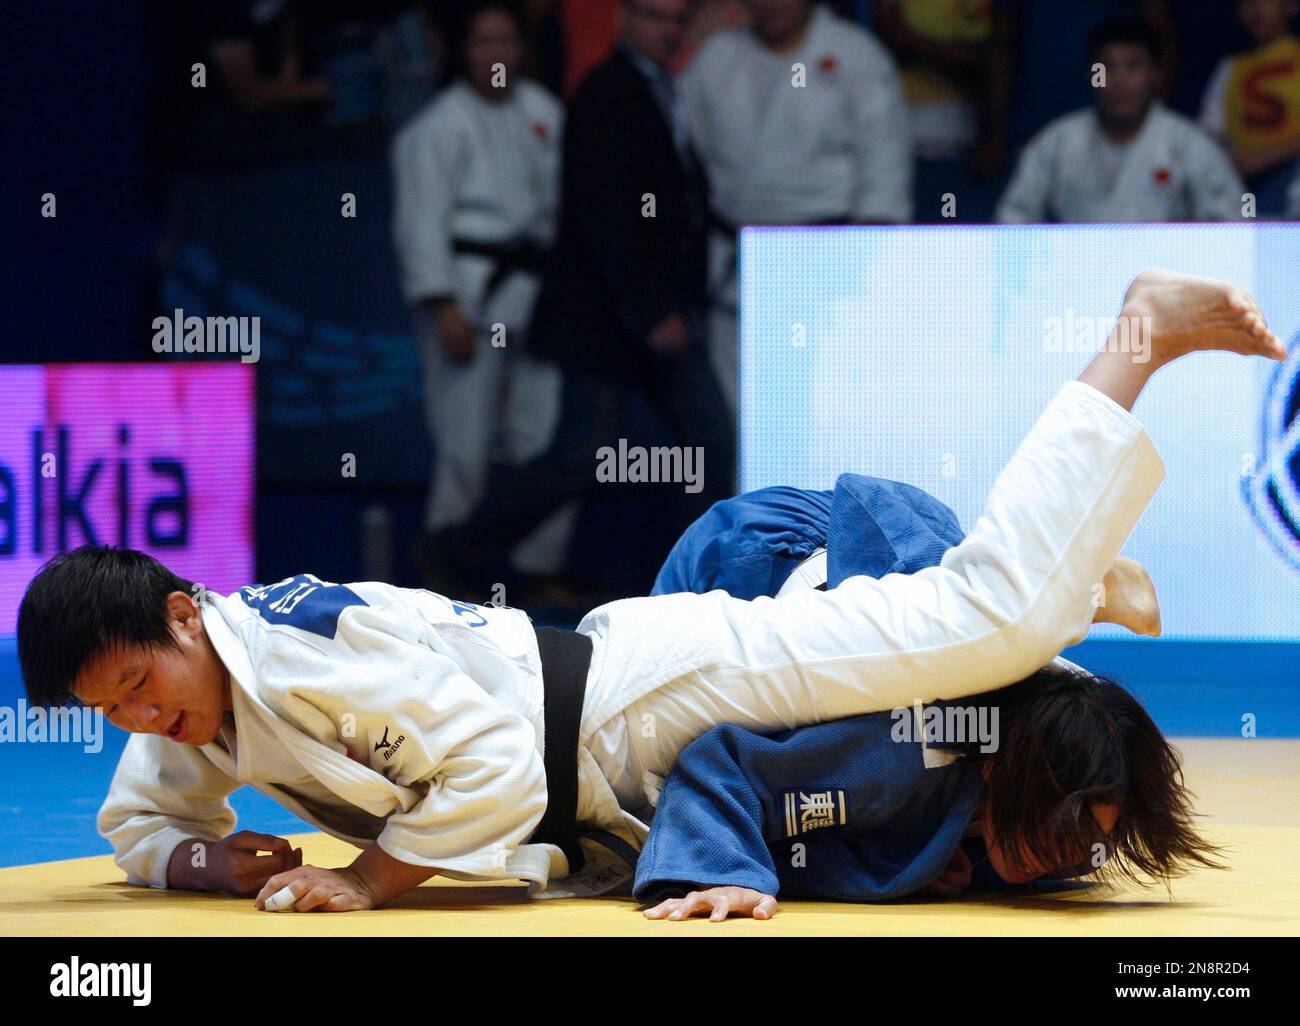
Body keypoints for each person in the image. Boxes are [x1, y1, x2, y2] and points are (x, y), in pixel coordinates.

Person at [17, 271, 1284, 912]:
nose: (144, 724)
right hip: (620, 732)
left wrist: (366, 883)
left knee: (984, 619)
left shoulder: (291, 650)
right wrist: (208, 864)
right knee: (978, 626)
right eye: (114, 714)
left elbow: (497, 775)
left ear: (186, 612)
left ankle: (1136, 337)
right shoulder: (211, 695)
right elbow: (135, 823)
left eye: (140, 688)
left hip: (645, 690)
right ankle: (1069, 604)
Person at [632, 473, 1195, 921]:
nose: (1070, 856)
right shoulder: (906, 742)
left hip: (906, 578)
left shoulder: (1041, 773)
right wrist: (719, 870)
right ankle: (1069, 595)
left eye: (1087, 841)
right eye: (1064, 835)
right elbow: (716, 767)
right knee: (645, 760)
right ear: (1001, 774)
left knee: (973, 646)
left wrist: (907, 862)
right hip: (753, 552)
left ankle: (1070, 596)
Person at [417, 0, 737, 596]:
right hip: (613, 321)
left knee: (709, 443)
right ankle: (452, 549)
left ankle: (697, 587)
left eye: (676, 19)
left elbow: (674, 204)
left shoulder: (662, 89)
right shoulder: (606, 94)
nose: (667, 30)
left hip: (653, 313)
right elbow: (604, 218)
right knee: (580, 457)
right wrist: (650, 311)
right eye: (653, 16)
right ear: (623, 20)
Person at [391, 2, 579, 595]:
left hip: (537, 294)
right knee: (464, 446)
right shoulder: (437, 126)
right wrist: (442, 301)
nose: (496, 54)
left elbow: (563, 212)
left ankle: (537, 567)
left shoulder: (545, 114)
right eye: (482, 41)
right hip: (469, 298)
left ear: (523, 48)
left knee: (542, 441)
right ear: (459, 51)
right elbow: (419, 225)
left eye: (506, 41)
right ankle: (449, 570)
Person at [679, 0, 912, 409]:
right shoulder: (715, 57)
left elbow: (884, 170)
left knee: (820, 406)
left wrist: (868, 269)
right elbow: (687, 153)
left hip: (827, 264)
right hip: (735, 261)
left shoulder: (856, 55)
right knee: (736, 416)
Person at [997, 17, 1244, 224]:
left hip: (1162, 276)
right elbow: (1013, 219)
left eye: (1133, 66)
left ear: (1156, 75)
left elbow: (1230, 223)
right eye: (1105, 68)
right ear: (1091, 76)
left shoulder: (1189, 143)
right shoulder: (1057, 141)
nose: (1119, 80)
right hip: (1077, 273)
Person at [1199, 0, 1300, 214]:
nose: (1253, 8)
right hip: (1246, 185)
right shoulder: (1230, 68)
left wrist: (1265, 156)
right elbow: (1209, 135)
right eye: (1244, 3)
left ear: (1291, 5)